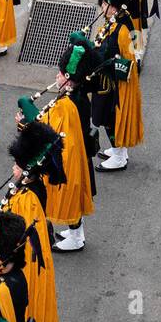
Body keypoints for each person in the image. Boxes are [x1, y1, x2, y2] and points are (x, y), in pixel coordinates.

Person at [0, 118, 64, 322]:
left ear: (26, 169)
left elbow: (16, 230)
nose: (13, 169)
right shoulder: (25, 186)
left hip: (28, 257)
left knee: (24, 299)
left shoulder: (28, 196)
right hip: (29, 250)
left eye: (17, 165)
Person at [40, 33, 99, 251]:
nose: (56, 77)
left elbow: (49, 129)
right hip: (79, 151)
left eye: (59, 73)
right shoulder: (79, 94)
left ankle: (75, 238)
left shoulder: (66, 103)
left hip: (71, 155)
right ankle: (76, 233)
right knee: (77, 195)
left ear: (67, 76)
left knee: (72, 197)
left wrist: (27, 123)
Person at [90, 0, 143, 171]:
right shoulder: (116, 20)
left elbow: (120, 57)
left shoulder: (121, 29)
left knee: (110, 119)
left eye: (105, 3)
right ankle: (119, 150)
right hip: (109, 81)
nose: (102, 6)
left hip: (115, 85)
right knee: (106, 118)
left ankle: (120, 154)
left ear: (114, 7)